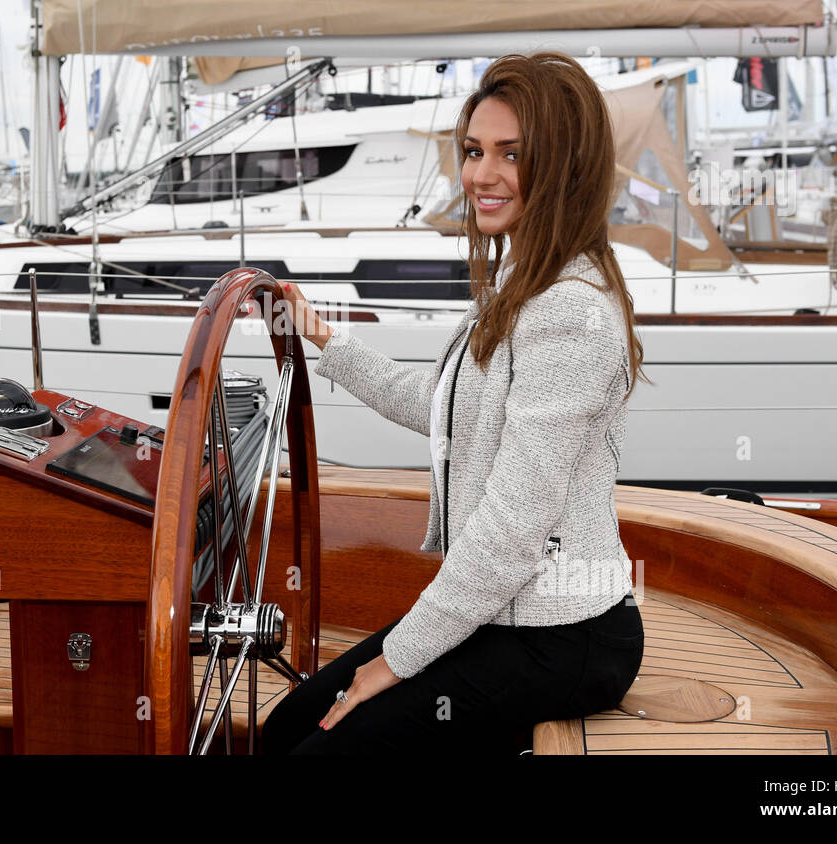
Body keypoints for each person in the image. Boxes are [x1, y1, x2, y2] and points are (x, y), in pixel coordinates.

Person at [262, 51, 650, 755]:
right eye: (474, 151)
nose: (480, 174)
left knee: (319, 745)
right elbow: (443, 408)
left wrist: (394, 660)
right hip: (505, 616)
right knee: (287, 726)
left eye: (512, 154)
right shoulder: (520, 283)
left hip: (564, 638)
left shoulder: (569, 312)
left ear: (566, 165)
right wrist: (326, 341)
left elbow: (510, 531)